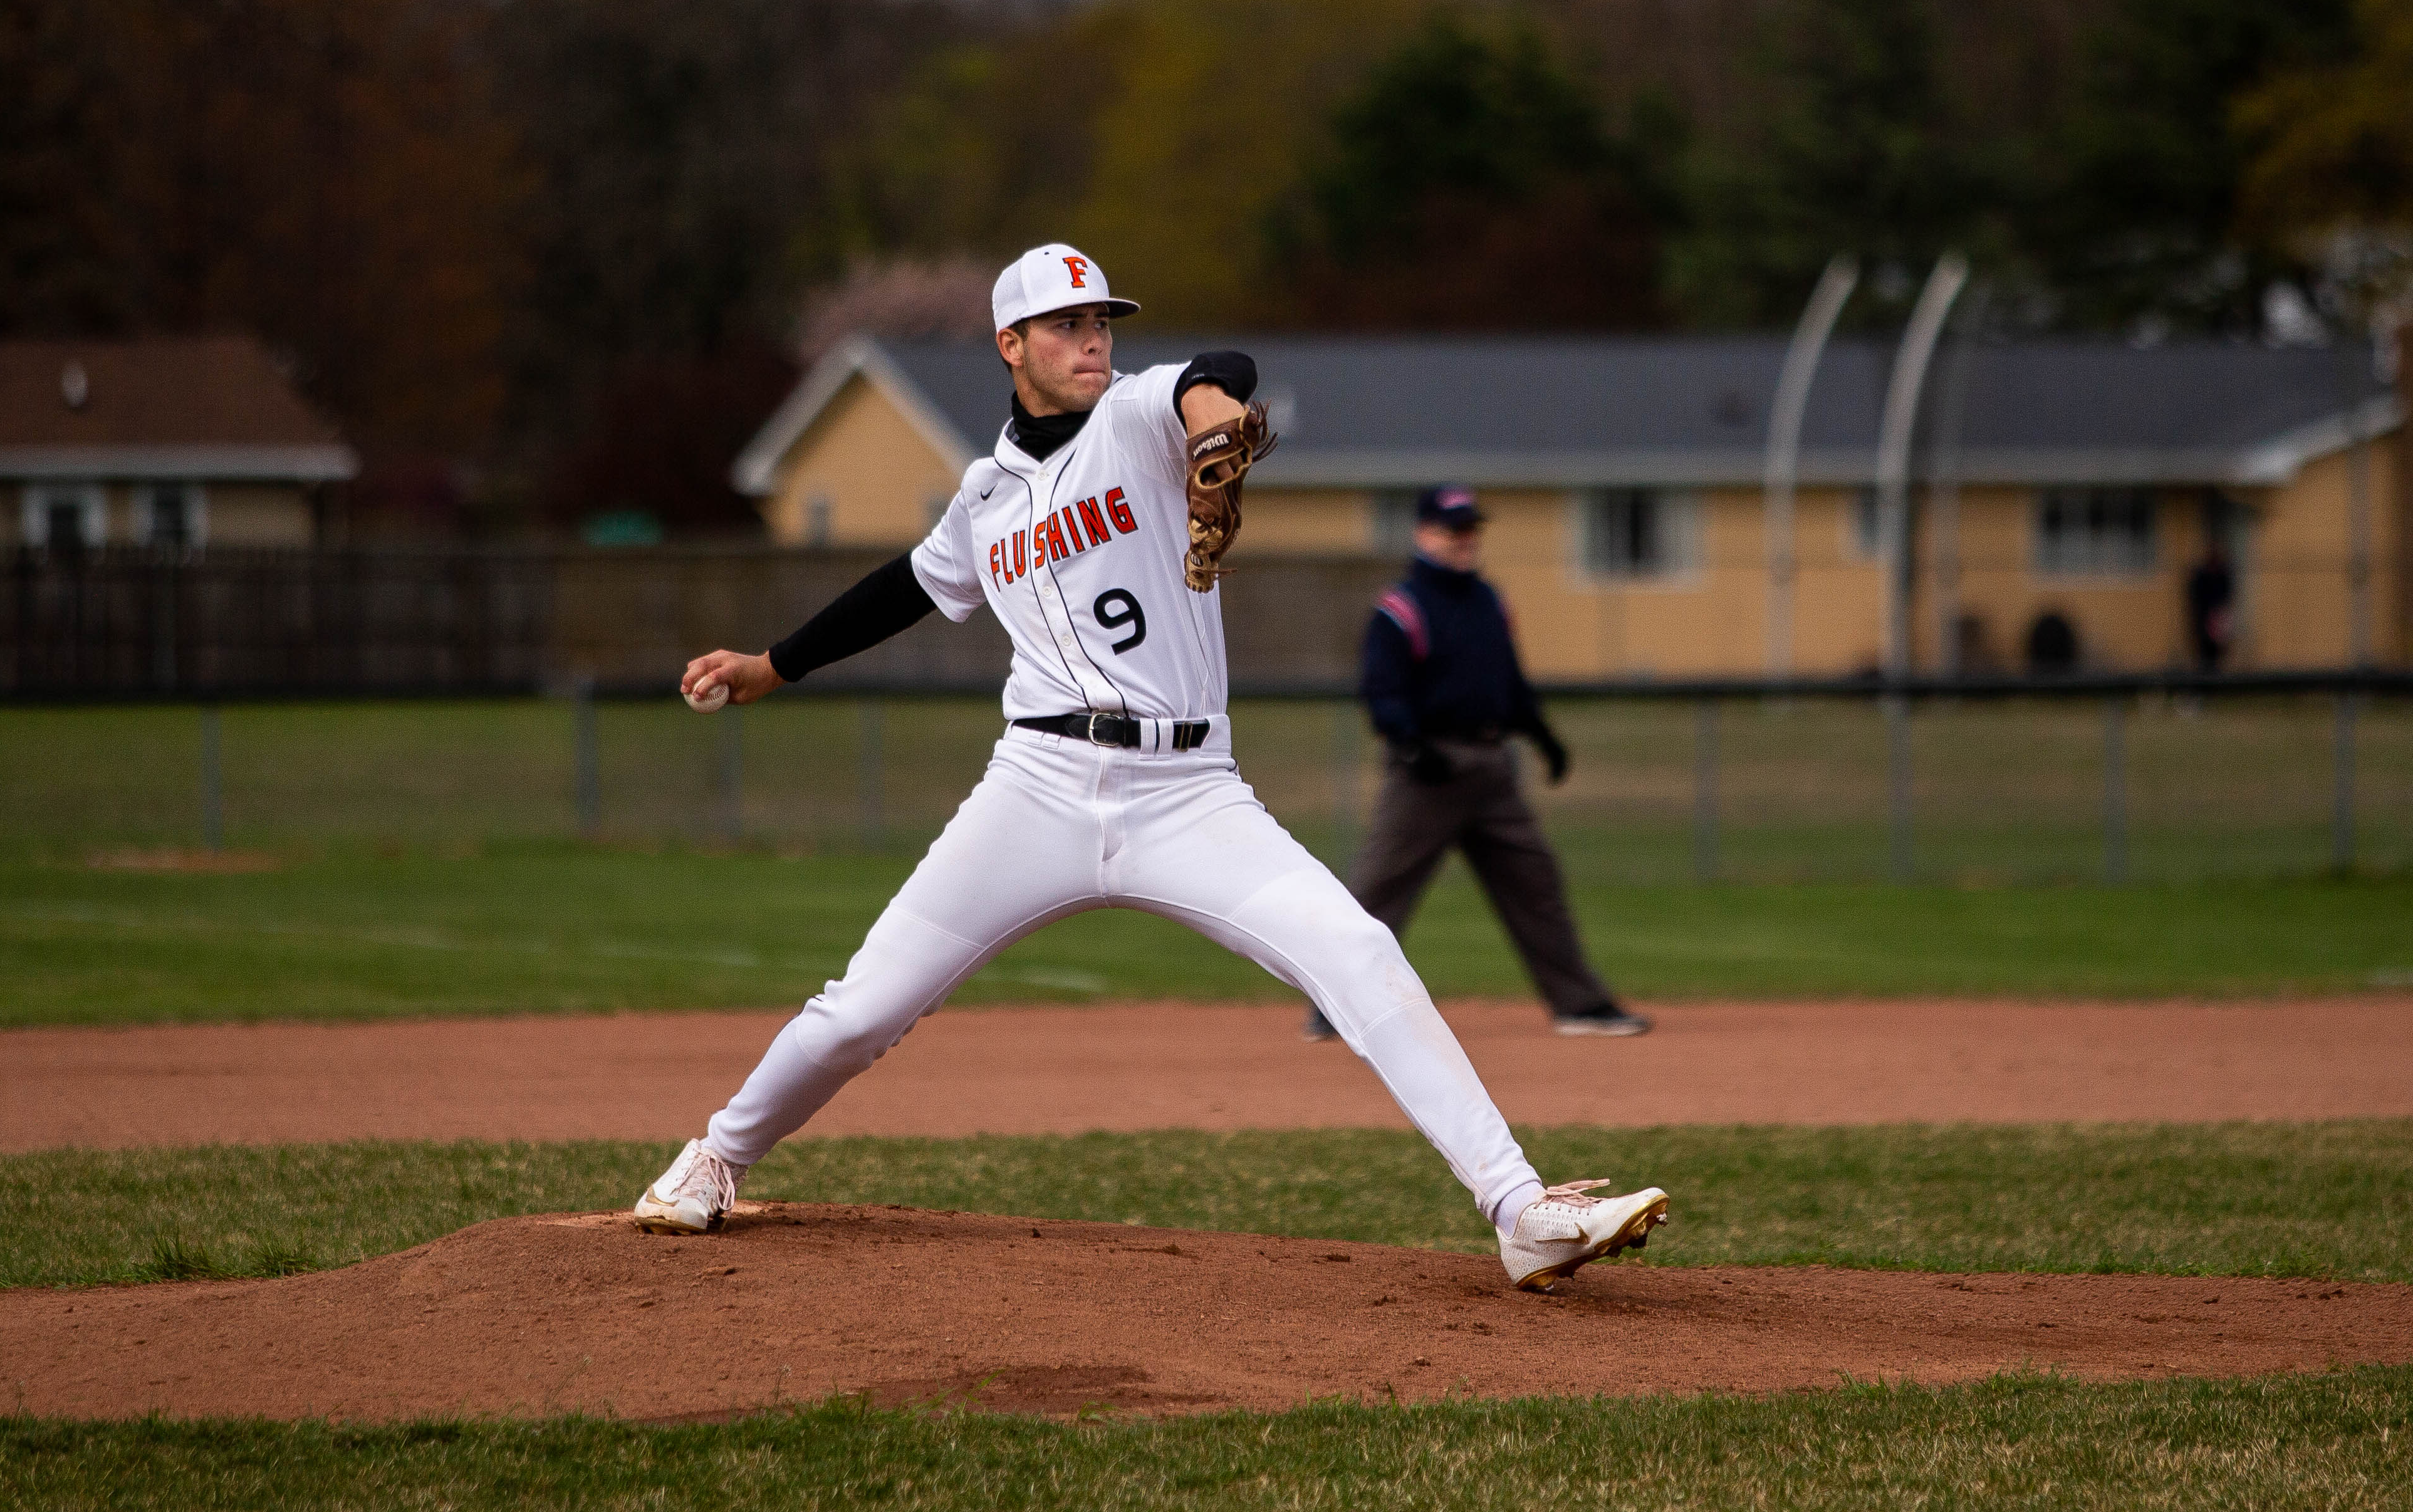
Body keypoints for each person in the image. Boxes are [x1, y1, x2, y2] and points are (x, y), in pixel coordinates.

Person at [634, 244, 1669, 1293]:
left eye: (1101, 322)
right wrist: (773, 665)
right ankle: (717, 1155)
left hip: (1189, 792)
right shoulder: (988, 494)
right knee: (860, 1010)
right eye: (1066, 325)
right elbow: (906, 586)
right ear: (1011, 346)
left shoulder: (1138, 415)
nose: (1092, 339)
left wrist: (1215, 417)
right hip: (1034, 786)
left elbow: (1213, 371)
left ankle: (1520, 1209)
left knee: (1355, 949)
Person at [1302, 487, 1650, 1044]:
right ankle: (1334, 1007)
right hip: (1427, 772)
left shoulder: (1489, 600)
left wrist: (1540, 733)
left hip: (1491, 768)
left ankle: (1580, 1004)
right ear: (1422, 533)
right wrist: (1412, 744)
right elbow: (1382, 690)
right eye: (1450, 528)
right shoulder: (1402, 608)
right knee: (1378, 890)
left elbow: (1508, 682)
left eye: (1470, 529)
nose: (1464, 539)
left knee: (1536, 884)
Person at [2186, 540, 2236, 672]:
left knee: (2217, 652)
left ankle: (2214, 677)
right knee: (2204, 652)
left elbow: (2227, 597)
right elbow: (2196, 598)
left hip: (2217, 619)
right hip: (2203, 619)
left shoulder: (2222, 574)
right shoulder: (2202, 575)